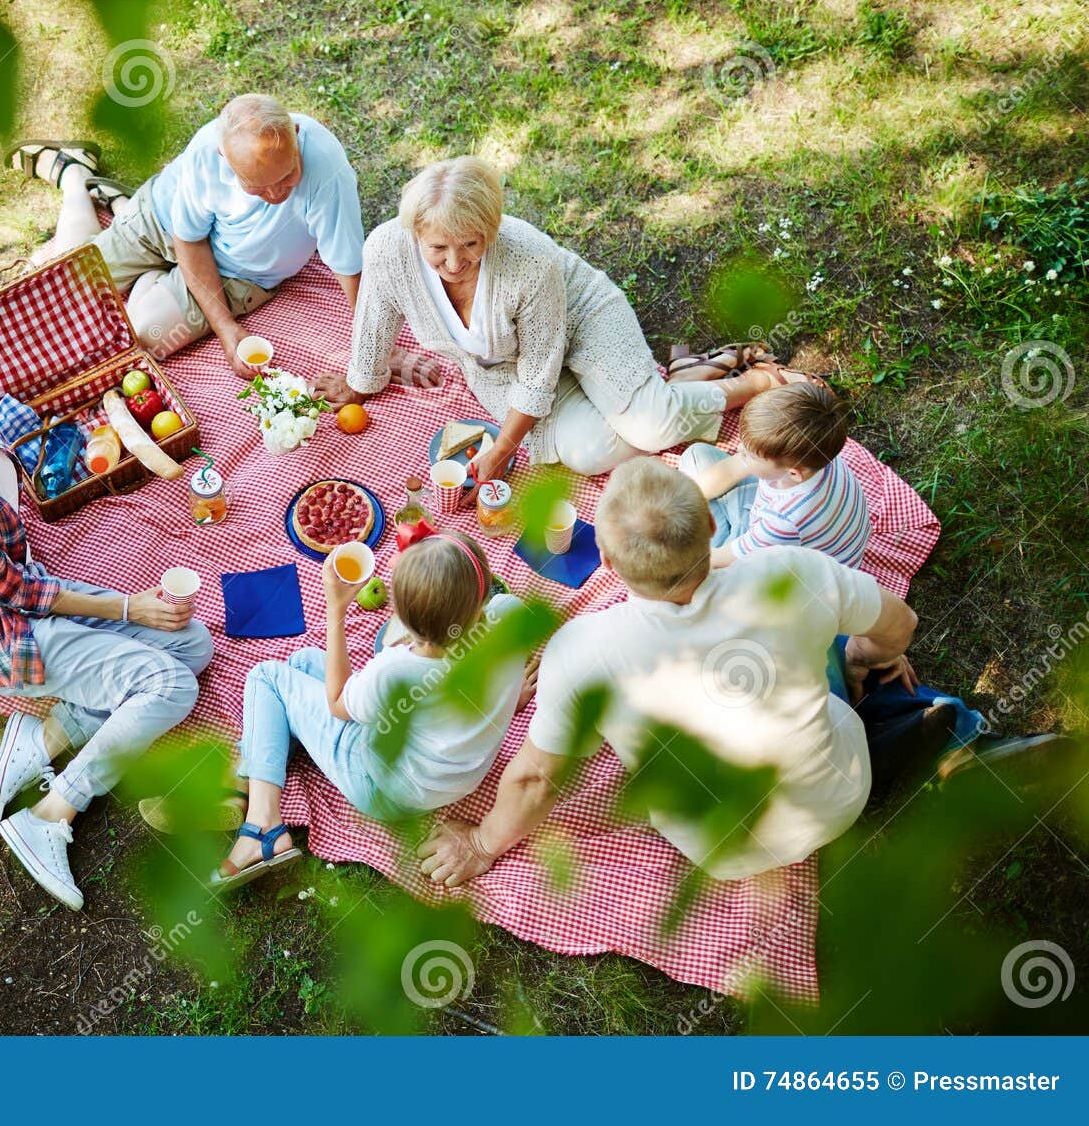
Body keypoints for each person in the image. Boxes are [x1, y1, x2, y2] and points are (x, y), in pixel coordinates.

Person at [419, 458, 924, 886]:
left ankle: (919, 728)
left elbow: (535, 780)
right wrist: (860, 656)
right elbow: (900, 624)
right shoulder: (793, 569)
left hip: (726, 849)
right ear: (710, 525)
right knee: (833, 657)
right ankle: (927, 726)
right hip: (840, 793)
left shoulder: (581, 653)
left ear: (607, 562)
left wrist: (482, 843)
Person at [0, 334, 215, 911]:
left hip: (25, 590)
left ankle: (51, 733)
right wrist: (130, 607)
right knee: (172, 684)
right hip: (3, 634)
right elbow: (18, 594)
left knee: (192, 643)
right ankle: (52, 813)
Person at [317, 156, 809, 478]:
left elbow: (540, 367)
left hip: (583, 320)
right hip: (505, 363)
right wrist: (362, 382)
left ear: (493, 229)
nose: (453, 262)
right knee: (588, 454)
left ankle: (751, 385)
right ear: (414, 233)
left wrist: (504, 449)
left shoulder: (529, 259)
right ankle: (676, 381)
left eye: (470, 244)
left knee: (652, 424)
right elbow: (374, 318)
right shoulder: (387, 250)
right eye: (438, 248)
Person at [213, 533, 535, 890]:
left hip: (383, 784)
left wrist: (335, 607)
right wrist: (508, 697)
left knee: (268, 678)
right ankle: (255, 769)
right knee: (302, 663)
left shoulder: (395, 670)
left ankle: (262, 825)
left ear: (403, 620)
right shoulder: (511, 615)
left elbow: (337, 703)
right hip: (455, 774)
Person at [15, 94, 364, 376]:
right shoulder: (205, 153)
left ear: (296, 132)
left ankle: (129, 234)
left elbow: (350, 269)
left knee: (143, 337)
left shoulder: (328, 173)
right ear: (223, 157)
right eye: (259, 187)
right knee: (63, 288)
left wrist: (369, 353)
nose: (277, 194)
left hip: (237, 273)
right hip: (163, 221)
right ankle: (75, 178)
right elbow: (191, 240)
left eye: (288, 175)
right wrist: (226, 329)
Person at [678, 381, 871, 569]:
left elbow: (721, 560)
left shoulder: (784, 520)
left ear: (794, 473)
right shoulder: (817, 451)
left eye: (750, 455)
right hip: (809, 535)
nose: (738, 448)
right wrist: (682, 502)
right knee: (697, 456)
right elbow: (732, 468)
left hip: (792, 572)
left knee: (698, 557)